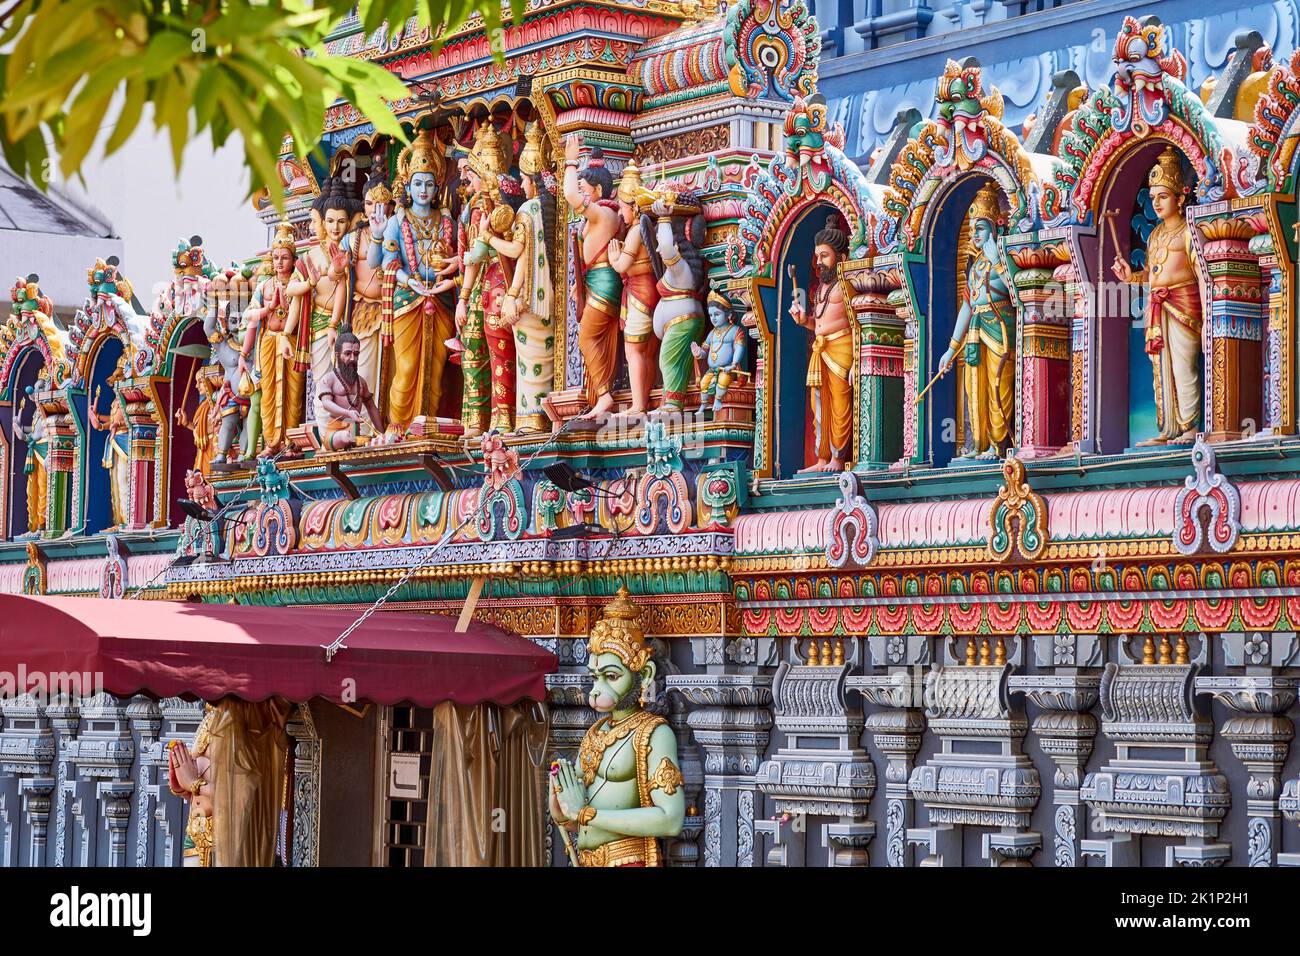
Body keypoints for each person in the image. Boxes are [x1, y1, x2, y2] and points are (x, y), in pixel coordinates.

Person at [1112, 147, 1203, 445]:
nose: (1156, 203)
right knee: (1161, 370)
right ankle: (1168, 429)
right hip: (1158, 307)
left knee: (1182, 367)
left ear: (1180, 196)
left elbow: (1202, 275)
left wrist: (1211, 317)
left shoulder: (1189, 232)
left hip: (1184, 307)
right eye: (1153, 198)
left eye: (1163, 196)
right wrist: (1129, 278)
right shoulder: (1155, 236)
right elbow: (1151, 276)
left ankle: (1189, 426)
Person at [374, 128, 459, 436]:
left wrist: (439, 283)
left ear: (437, 188)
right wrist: (410, 283)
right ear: (408, 185)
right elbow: (389, 262)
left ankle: (428, 424)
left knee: (436, 373)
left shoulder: (447, 222)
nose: (423, 190)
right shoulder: (398, 221)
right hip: (407, 302)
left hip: (440, 300)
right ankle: (398, 425)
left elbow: (453, 259)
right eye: (418, 183)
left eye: (429, 184)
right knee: (407, 367)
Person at [939, 183, 1015, 459]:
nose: (975, 234)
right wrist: (951, 348)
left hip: (999, 327)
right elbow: (967, 306)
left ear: (995, 227)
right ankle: (979, 444)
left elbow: (1017, 292)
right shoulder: (975, 266)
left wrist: (997, 261)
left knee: (999, 387)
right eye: (972, 229)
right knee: (974, 388)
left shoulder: (1003, 256)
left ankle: (998, 445)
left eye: (981, 228)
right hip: (975, 330)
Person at [288, 176, 361, 429]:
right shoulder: (311, 255)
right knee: (322, 380)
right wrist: (309, 284)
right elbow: (291, 288)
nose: (335, 227)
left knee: (349, 380)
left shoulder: (352, 247)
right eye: (330, 221)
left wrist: (334, 324)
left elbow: (340, 280)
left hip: (342, 323)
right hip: (319, 325)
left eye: (341, 221)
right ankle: (325, 433)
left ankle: (346, 429)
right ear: (321, 222)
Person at [562, 136, 624, 418]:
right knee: (591, 337)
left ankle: (604, 395)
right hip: (596, 281)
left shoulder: (602, 214)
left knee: (586, 337)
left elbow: (570, 197)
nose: (582, 195)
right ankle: (602, 391)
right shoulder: (600, 214)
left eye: (585, 189)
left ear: (598, 190)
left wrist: (571, 161)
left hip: (604, 284)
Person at [790, 216, 854, 472]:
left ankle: (838, 458)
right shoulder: (821, 289)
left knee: (840, 406)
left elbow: (857, 323)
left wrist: (858, 361)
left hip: (841, 350)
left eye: (825, 256)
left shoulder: (845, 286)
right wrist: (803, 320)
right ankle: (822, 458)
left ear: (841, 257)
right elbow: (818, 324)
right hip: (821, 349)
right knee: (820, 407)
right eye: (817, 256)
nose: (819, 262)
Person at [239, 222, 305, 457]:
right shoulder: (265, 286)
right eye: (276, 257)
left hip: (291, 342)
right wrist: (268, 309)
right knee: (268, 392)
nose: (279, 262)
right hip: (268, 342)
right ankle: (271, 443)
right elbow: (249, 316)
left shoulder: (298, 282)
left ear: (293, 259)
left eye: (284, 257)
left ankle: (291, 442)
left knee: (293, 391)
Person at [608, 161, 660, 416]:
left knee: (634, 349)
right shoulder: (644, 227)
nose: (620, 213)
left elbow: (622, 265)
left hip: (639, 292)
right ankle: (643, 401)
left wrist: (612, 257)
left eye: (622, 206)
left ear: (634, 206)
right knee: (647, 350)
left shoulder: (636, 230)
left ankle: (638, 405)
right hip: (649, 291)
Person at [313, 331, 384, 450]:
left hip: (356, 433)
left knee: (363, 439)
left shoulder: (361, 382)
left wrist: (382, 434)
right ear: (337, 355)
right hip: (335, 432)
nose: (352, 358)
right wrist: (348, 413)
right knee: (346, 437)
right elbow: (326, 403)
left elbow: (371, 407)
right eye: (347, 354)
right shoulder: (329, 379)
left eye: (356, 354)